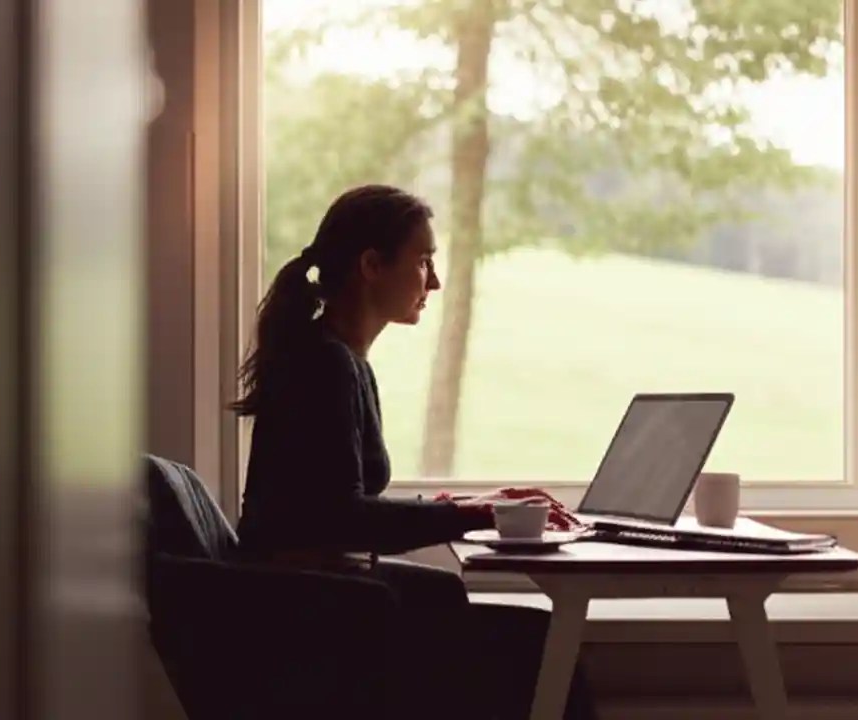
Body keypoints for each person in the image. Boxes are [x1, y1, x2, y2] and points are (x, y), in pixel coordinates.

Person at [231, 184, 596, 720]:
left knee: (515, 632)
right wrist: (474, 514)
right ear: (372, 265)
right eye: (424, 261)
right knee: (541, 651)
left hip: (326, 605)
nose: (436, 281)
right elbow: (339, 516)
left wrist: (473, 502)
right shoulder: (326, 365)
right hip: (315, 623)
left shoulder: (338, 359)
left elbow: (332, 501)